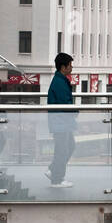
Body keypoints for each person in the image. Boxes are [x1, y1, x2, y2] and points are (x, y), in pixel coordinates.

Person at [46, 51, 77, 187]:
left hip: (62, 122)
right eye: (70, 65)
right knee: (62, 150)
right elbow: (65, 103)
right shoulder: (59, 82)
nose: (71, 68)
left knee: (69, 146)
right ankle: (57, 179)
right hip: (60, 122)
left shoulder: (61, 80)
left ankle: (53, 170)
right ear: (63, 67)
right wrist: (75, 111)